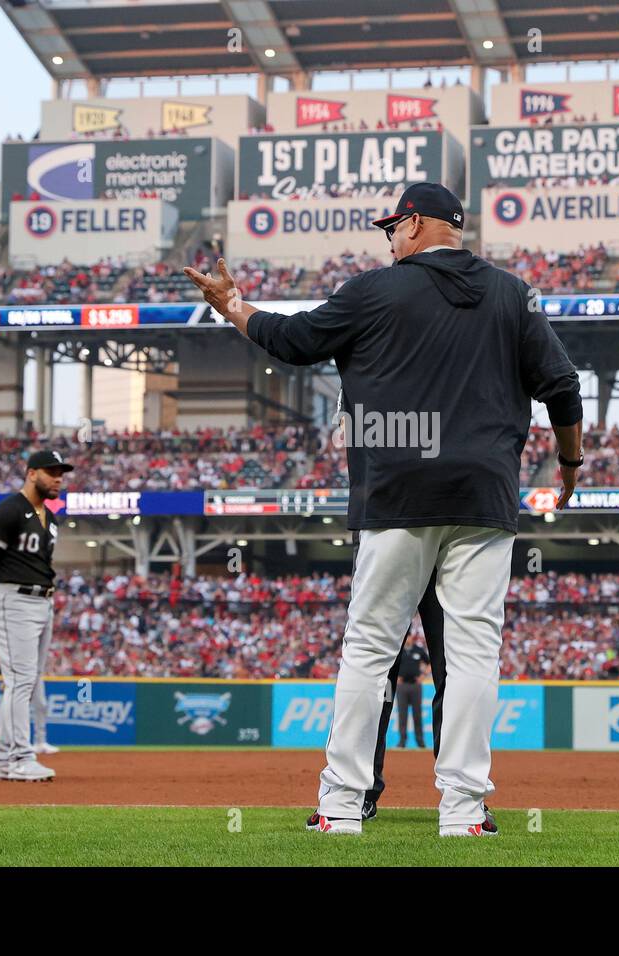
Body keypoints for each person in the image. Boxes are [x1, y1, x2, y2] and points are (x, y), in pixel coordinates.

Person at [186, 181, 583, 837]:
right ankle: (463, 812)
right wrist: (568, 464)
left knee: (369, 653)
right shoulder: (512, 294)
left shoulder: (375, 290)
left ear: (420, 224)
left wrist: (233, 305)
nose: (388, 236)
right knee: (475, 655)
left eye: (393, 225)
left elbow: (292, 339)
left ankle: (342, 807)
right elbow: (562, 384)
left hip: (397, 494)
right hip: (485, 497)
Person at [0, 449, 74, 782]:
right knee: (20, 682)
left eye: (61, 473)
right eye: (51, 472)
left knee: (24, 684)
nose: (58, 478)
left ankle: (2, 760)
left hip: (42, 602)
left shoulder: (51, 517)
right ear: (31, 473)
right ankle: (21, 756)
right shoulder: (8, 510)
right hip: (12, 600)